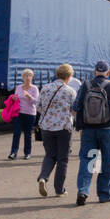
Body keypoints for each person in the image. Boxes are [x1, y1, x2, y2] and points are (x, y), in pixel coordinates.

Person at [73, 61, 110, 206]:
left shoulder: (86, 85)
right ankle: (104, 194)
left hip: (89, 130)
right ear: (107, 72)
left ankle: (83, 190)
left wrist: (81, 124)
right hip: (107, 129)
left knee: (88, 160)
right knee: (107, 160)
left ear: (94, 71)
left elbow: (75, 106)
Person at [36, 64, 77, 197]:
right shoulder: (70, 91)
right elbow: (74, 110)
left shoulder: (45, 88)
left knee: (49, 155)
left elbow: (39, 107)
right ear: (69, 77)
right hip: (63, 128)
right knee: (62, 159)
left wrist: (49, 116)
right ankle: (59, 189)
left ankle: (43, 177)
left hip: (46, 128)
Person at [8, 68, 38, 160]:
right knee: (16, 133)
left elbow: (36, 102)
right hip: (19, 113)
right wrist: (14, 98)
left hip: (30, 114)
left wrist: (29, 96)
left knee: (28, 134)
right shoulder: (19, 87)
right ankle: (13, 153)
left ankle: (27, 153)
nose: (27, 77)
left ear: (32, 77)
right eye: (25, 76)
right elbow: (16, 97)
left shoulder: (34, 88)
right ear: (23, 77)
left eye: (29, 76)